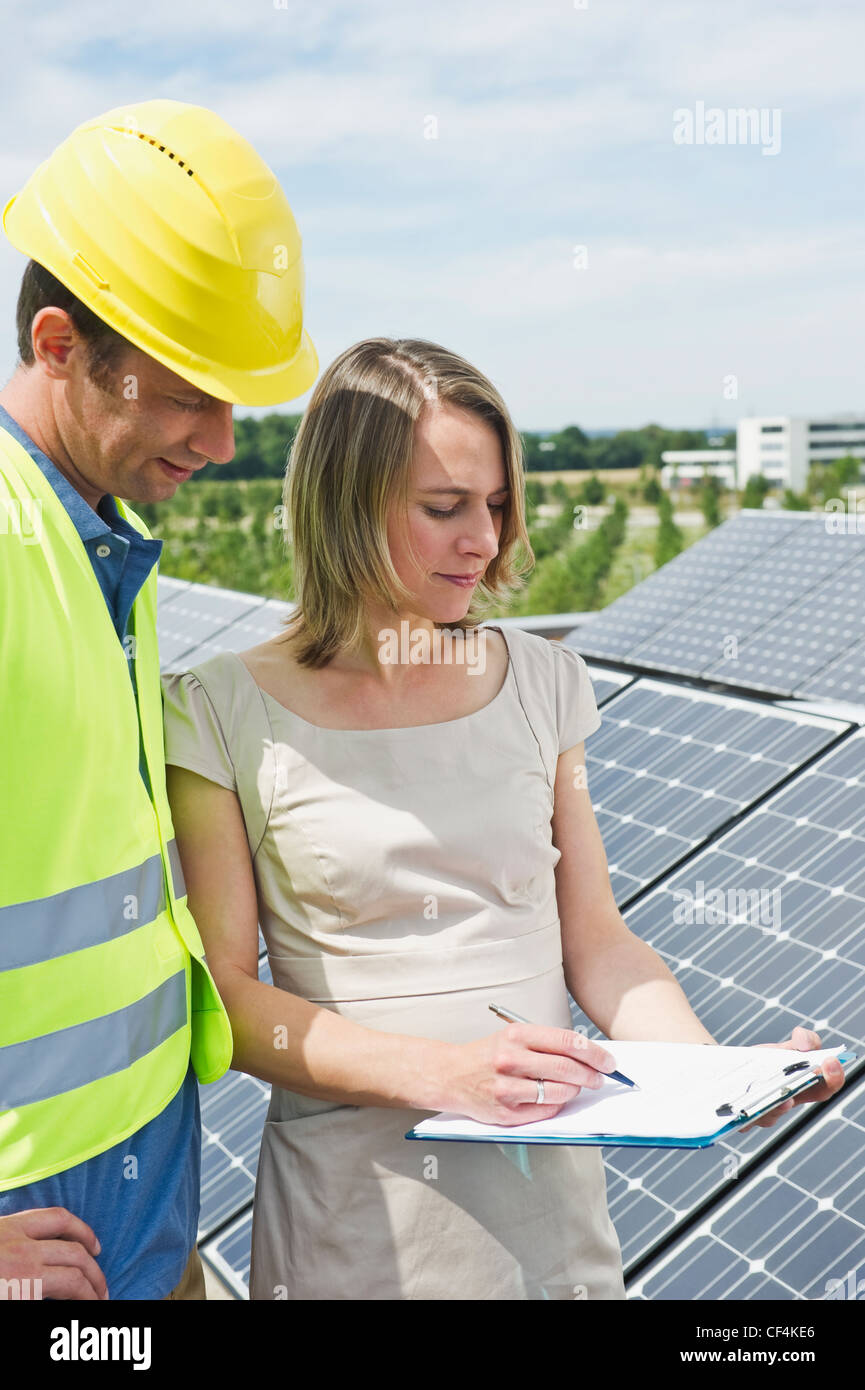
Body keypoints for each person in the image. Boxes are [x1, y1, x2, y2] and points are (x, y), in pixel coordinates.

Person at [160, 337, 846, 1301]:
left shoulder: (543, 685)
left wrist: (717, 1080)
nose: (481, 540)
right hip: (355, 1232)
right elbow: (225, 1001)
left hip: (551, 1230)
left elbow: (598, 944)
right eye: (443, 508)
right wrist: (445, 1075)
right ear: (345, 505)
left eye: (493, 506)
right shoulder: (218, 710)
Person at [0, 98, 317, 1300]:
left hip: (139, 1188)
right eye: (190, 394)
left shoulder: (99, 542)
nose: (224, 440)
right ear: (59, 344)